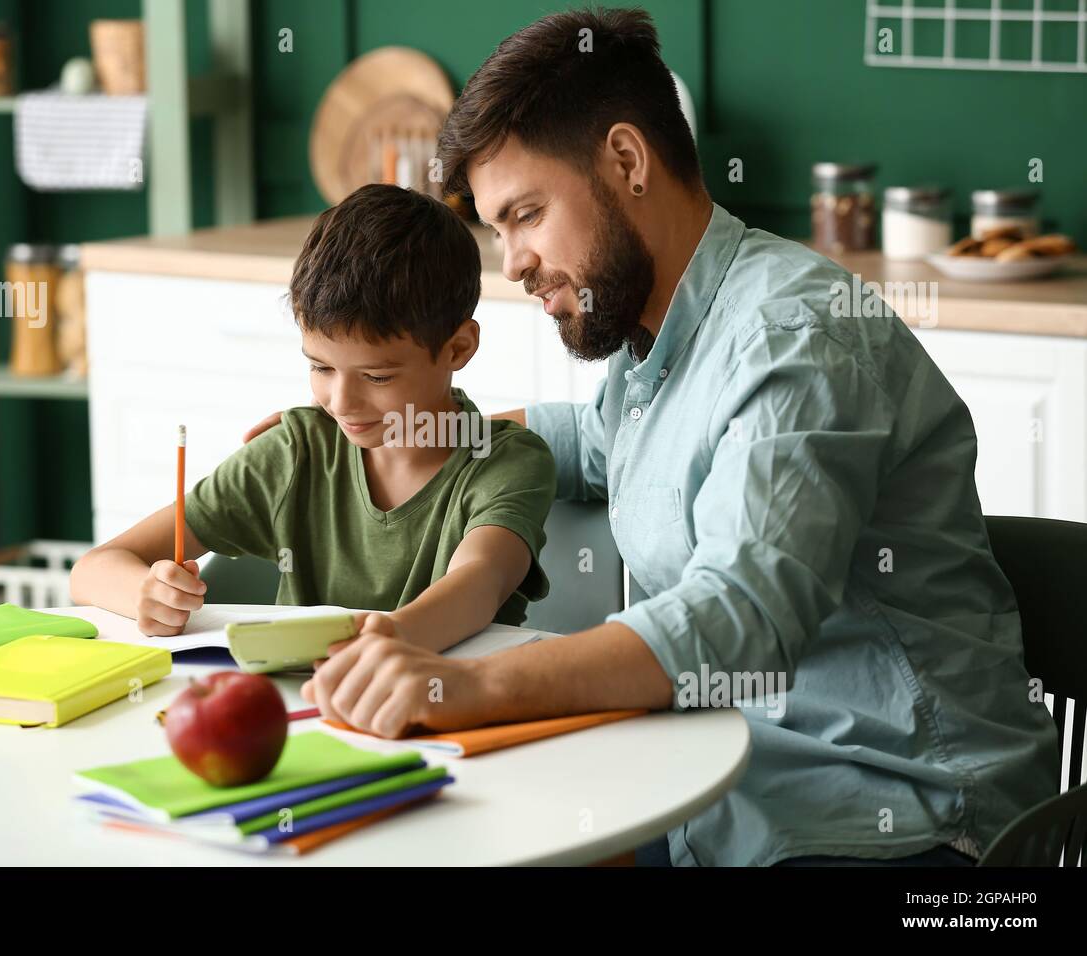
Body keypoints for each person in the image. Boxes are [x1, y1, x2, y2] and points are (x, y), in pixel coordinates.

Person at [245, 8, 1059, 867]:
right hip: (718, 801)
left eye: (526, 213)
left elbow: (745, 611)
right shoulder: (651, 344)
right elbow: (582, 443)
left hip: (900, 819)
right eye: (496, 229)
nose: (511, 261)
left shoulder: (797, 334)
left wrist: (471, 685)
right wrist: (386, 431)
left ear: (627, 161)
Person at [71, 183, 557, 706]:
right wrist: (145, 594)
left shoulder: (506, 461)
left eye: (375, 376)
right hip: (297, 721)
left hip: (443, 718)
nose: (341, 401)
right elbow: (93, 569)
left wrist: (381, 644)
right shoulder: (296, 452)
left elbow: (479, 584)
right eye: (320, 367)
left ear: (458, 347)